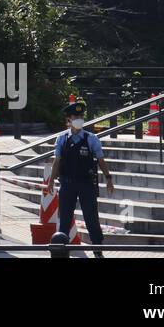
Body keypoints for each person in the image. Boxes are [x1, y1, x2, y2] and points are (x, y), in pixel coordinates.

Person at [51, 101, 114, 257]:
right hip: (67, 183)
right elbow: (57, 161)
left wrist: (109, 178)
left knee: (91, 218)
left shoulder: (91, 138)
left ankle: (98, 250)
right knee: (65, 219)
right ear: (69, 119)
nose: (79, 118)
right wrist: (51, 179)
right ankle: (62, 250)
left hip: (86, 184)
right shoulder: (62, 139)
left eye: (81, 116)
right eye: (75, 116)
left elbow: (100, 160)